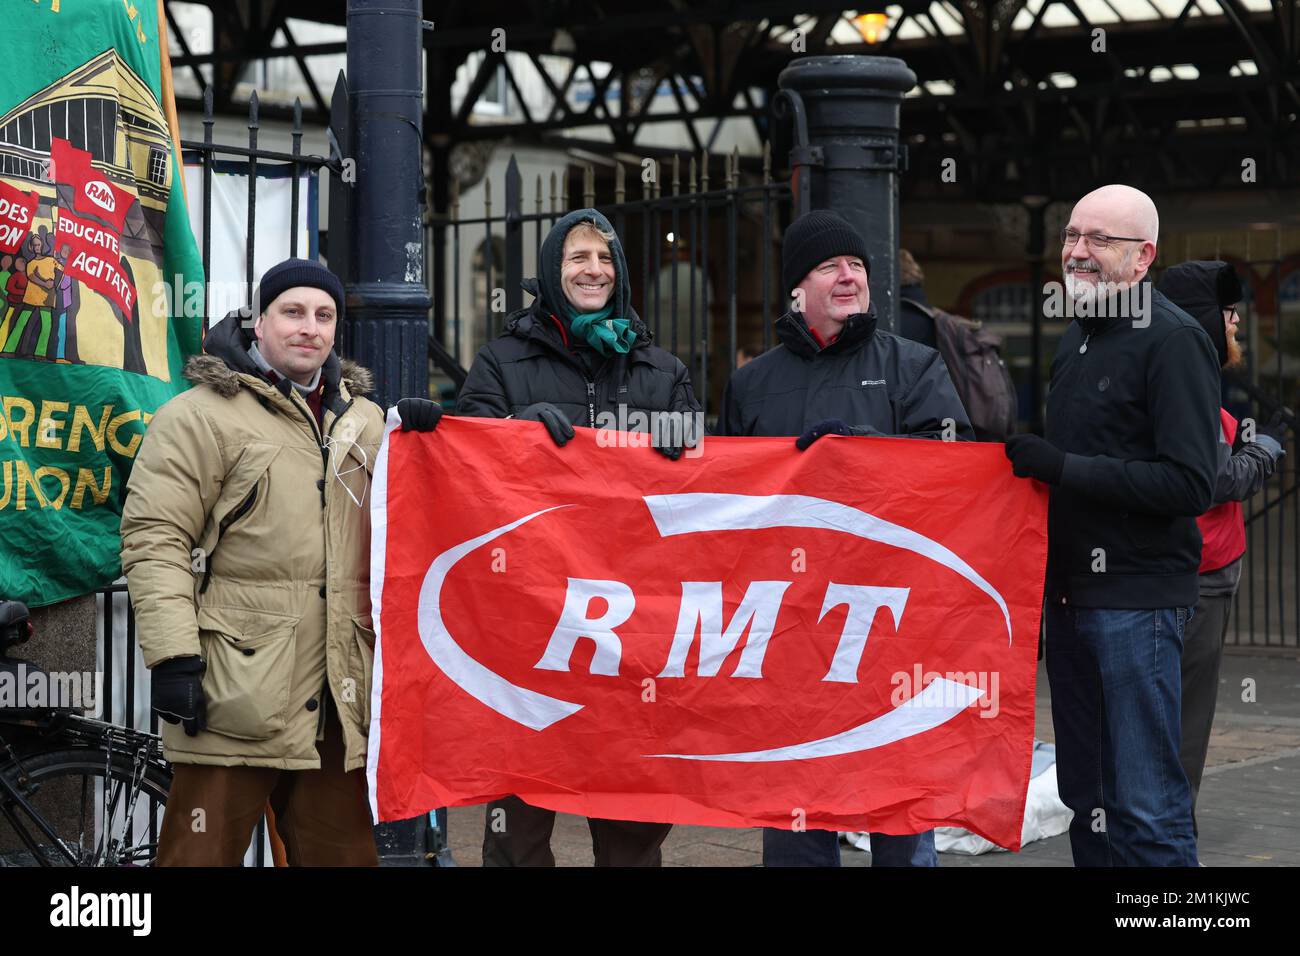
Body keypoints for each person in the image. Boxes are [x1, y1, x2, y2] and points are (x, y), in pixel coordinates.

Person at [121, 257, 441, 866]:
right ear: (259, 323)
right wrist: (174, 656)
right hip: (235, 688)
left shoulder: (367, 422)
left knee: (342, 859)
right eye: (292, 312)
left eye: (324, 316)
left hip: (338, 694)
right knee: (200, 856)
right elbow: (154, 537)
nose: (309, 328)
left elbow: (419, 523)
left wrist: (427, 443)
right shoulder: (199, 415)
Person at [411, 208, 700, 866]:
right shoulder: (501, 361)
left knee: (631, 822)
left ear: (620, 272)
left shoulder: (662, 370)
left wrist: (675, 449)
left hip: (633, 623)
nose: (592, 269)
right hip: (531, 623)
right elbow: (464, 467)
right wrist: (514, 427)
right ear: (552, 271)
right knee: (520, 812)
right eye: (577, 257)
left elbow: (702, 477)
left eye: (604, 257)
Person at [720, 209, 974, 866]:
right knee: (796, 807)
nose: (849, 276)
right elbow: (721, 505)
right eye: (830, 265)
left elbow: (956, 475)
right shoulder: (752, 384)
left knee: (899, 807)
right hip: (788, 631)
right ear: (797, 288)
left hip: (892, 623)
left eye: (857, 265)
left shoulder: (914, 367)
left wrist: (869, 454)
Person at [1004, 185, 1220, 866]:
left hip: (1137, 604)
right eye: (1072, 235)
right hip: (1070, 603)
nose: (1077, 251)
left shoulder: (1175, 340)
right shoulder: (1077, 340)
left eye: (1099, 239)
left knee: (1147, 804)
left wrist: (1064, 466)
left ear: (1143, 257)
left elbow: (1190, 482)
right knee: (1087, 799)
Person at [1156, 260, 1288, 830]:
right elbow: (1212, 483)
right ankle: (1168, 831)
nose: (1237, 323)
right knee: (1184, 717)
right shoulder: (1188, 375)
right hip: (1198, 573)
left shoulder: (1175, 366)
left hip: (1196, 567)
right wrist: (1268, 449)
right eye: (1229, 313)